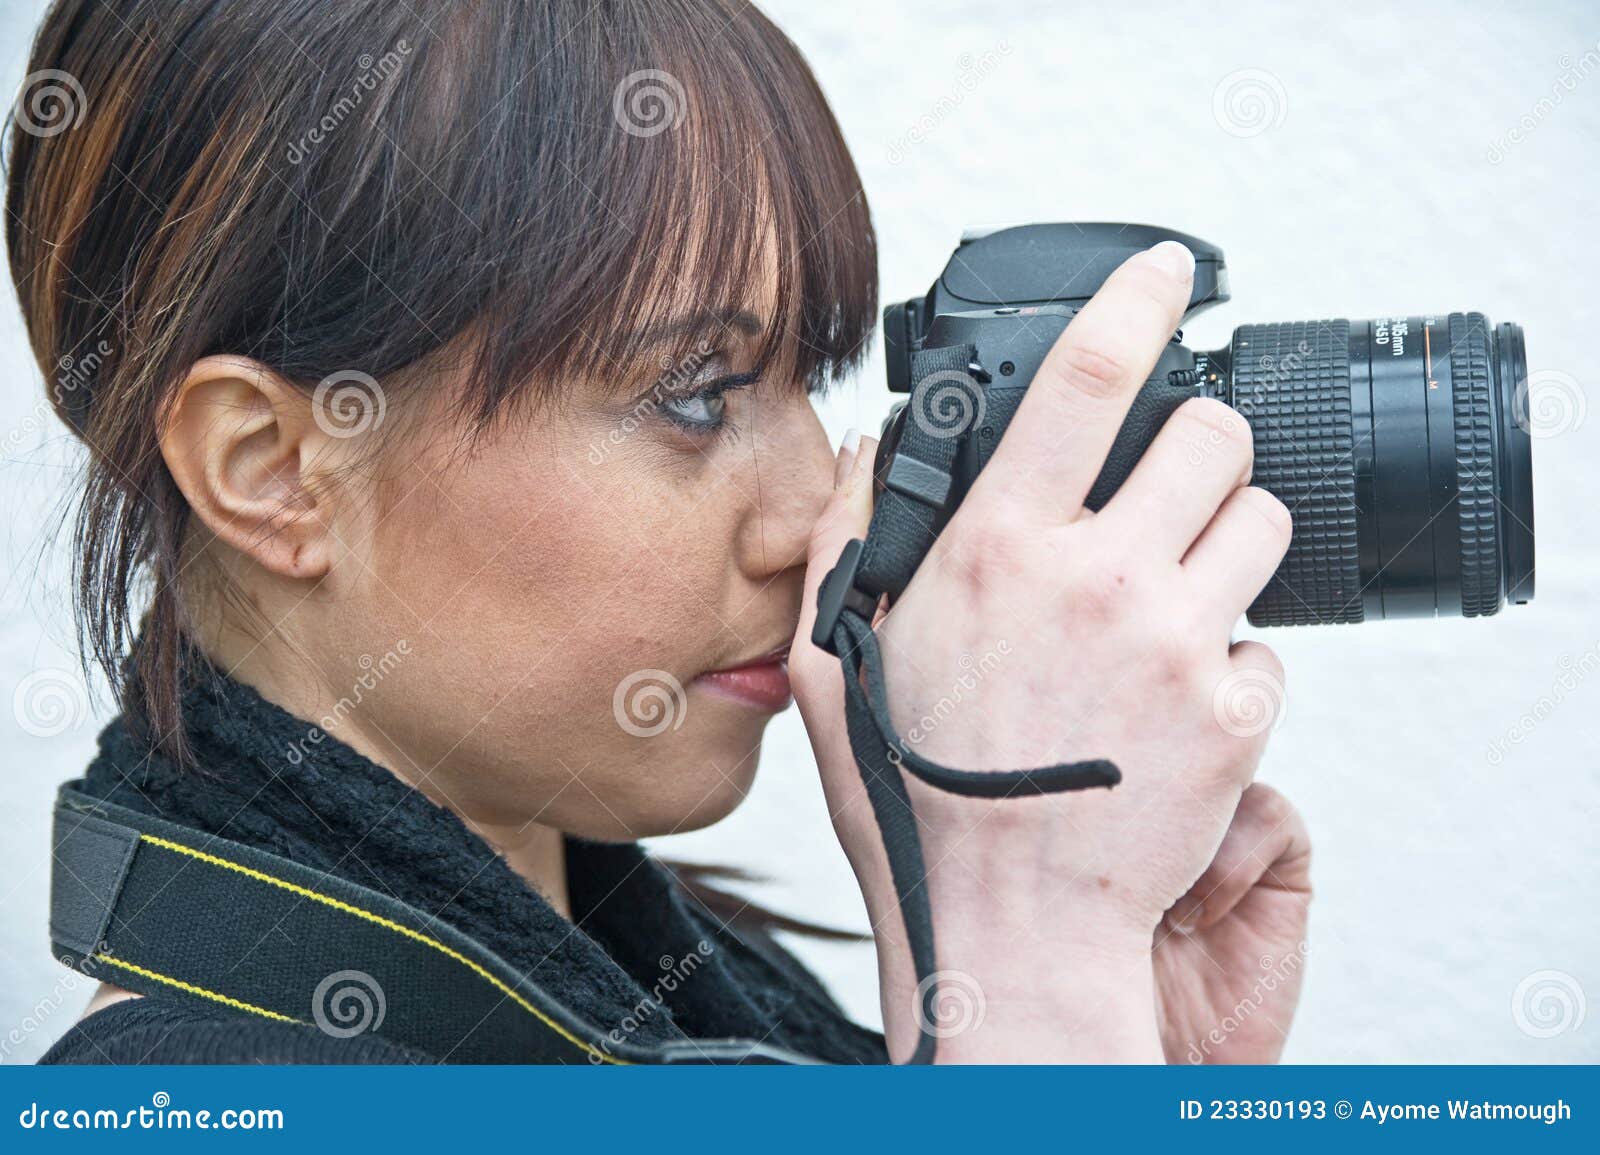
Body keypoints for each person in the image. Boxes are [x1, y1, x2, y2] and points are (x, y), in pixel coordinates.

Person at [9, 0, 1310, 1064]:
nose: (814, 520)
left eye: (806, 378)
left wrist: (1114, 1053)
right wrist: (1032, 979)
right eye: (694, 397)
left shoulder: (653, 996)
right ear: (274, 469)